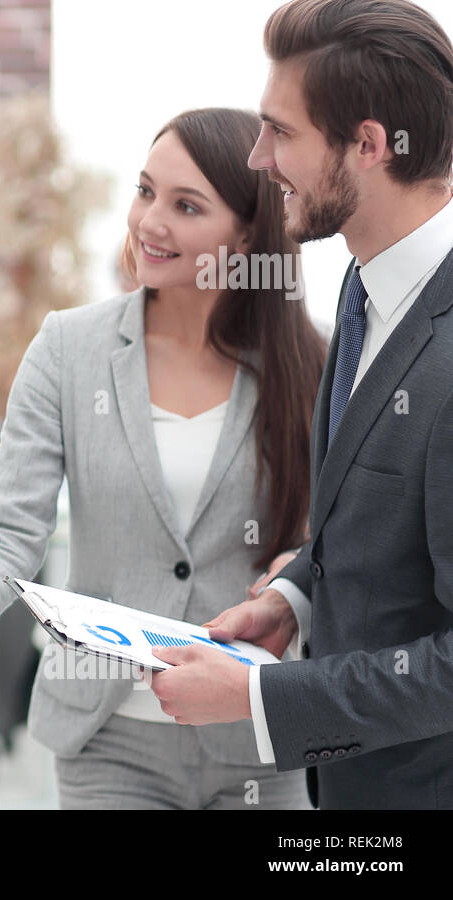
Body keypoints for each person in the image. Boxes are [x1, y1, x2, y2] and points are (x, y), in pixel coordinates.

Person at [0, 106, 326, 808]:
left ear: (248, 237)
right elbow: (8, 537)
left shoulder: (317, 364)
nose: (150, 221)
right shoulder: (70, 350)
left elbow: (332, 549)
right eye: (145, 190)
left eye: (186, 205)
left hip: (259, 740)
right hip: (108, 743)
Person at [149, 0, 453, 810]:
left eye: (280, 132)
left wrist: (256, 699)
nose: (258, 157)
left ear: (368, 146)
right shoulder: (365, 276)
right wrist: (296, 595)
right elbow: (381, 533)